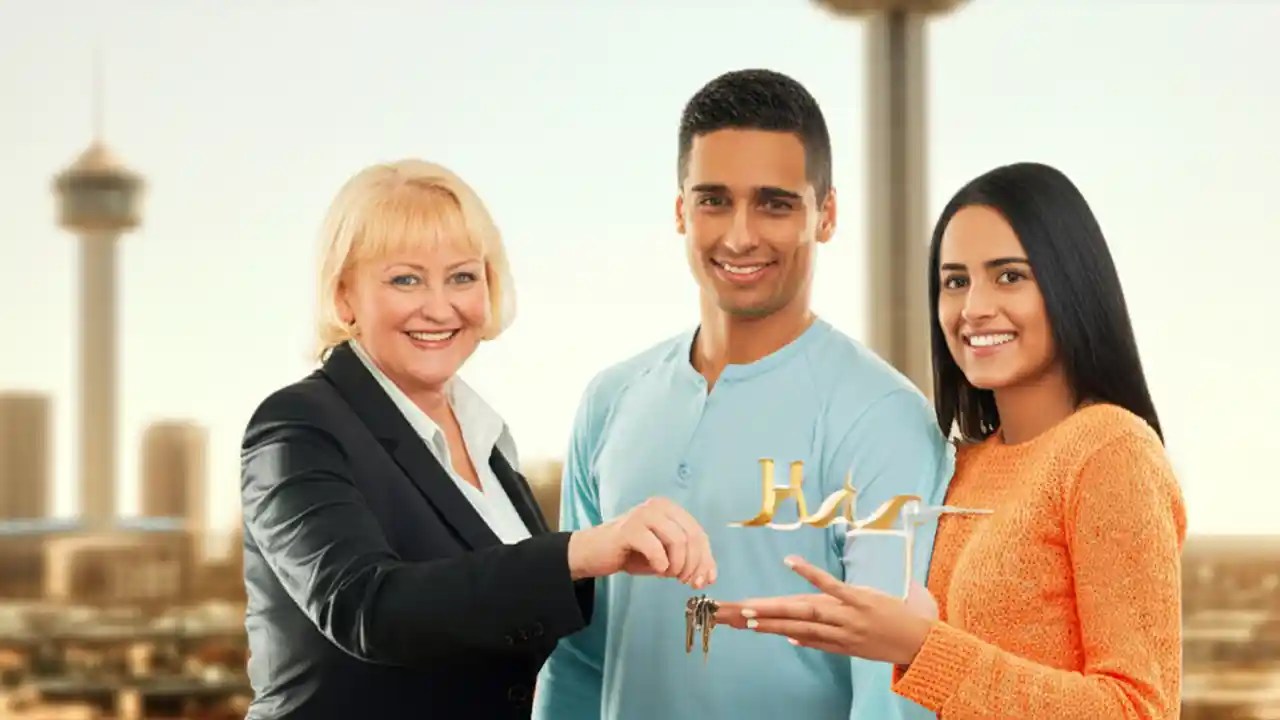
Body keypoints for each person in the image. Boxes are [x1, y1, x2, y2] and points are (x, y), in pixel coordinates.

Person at [532, 69, 953, 720]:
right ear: (680, 210)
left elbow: (889, 687)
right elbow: (579, 655)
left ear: (827, 214)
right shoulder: (609, 401)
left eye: (775, 203)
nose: (739, 235)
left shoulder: (884, 421)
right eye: (713, 200)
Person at [239, 159, 717, 720]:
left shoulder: (489, 449)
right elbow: (369, 610)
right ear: (344, 296)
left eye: (462, 276)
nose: (439, 307)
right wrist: (582, 549)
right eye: (405, 279)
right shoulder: (298, 426)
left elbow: (510, 624)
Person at [717, 162, 1186, 719]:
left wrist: (920, 647)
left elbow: (1137, 709)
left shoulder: (1110, 452)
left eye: (1009, 275)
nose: (974, 308)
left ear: (1071, 284)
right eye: (955, 281)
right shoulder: (959, 465)